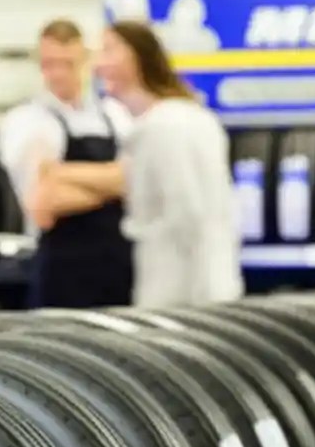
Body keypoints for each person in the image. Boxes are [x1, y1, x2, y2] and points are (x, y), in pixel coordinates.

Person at [93, 20, 243, 306]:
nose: (99, 64)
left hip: (180, 295)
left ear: (140, 57)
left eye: (109, 50)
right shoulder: (189, 118)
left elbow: (188, 215)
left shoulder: (165, 125)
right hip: (205, 287)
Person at [0, 19, 134, 309]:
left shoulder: (118, 116)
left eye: (67, 64)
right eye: (49, 64)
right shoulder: (26, 122)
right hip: (61, 277)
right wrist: (113, 183)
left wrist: (60, 173)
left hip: (119, 273)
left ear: (87, 60)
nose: (57, 74)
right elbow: (43, 205)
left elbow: (137, 182)